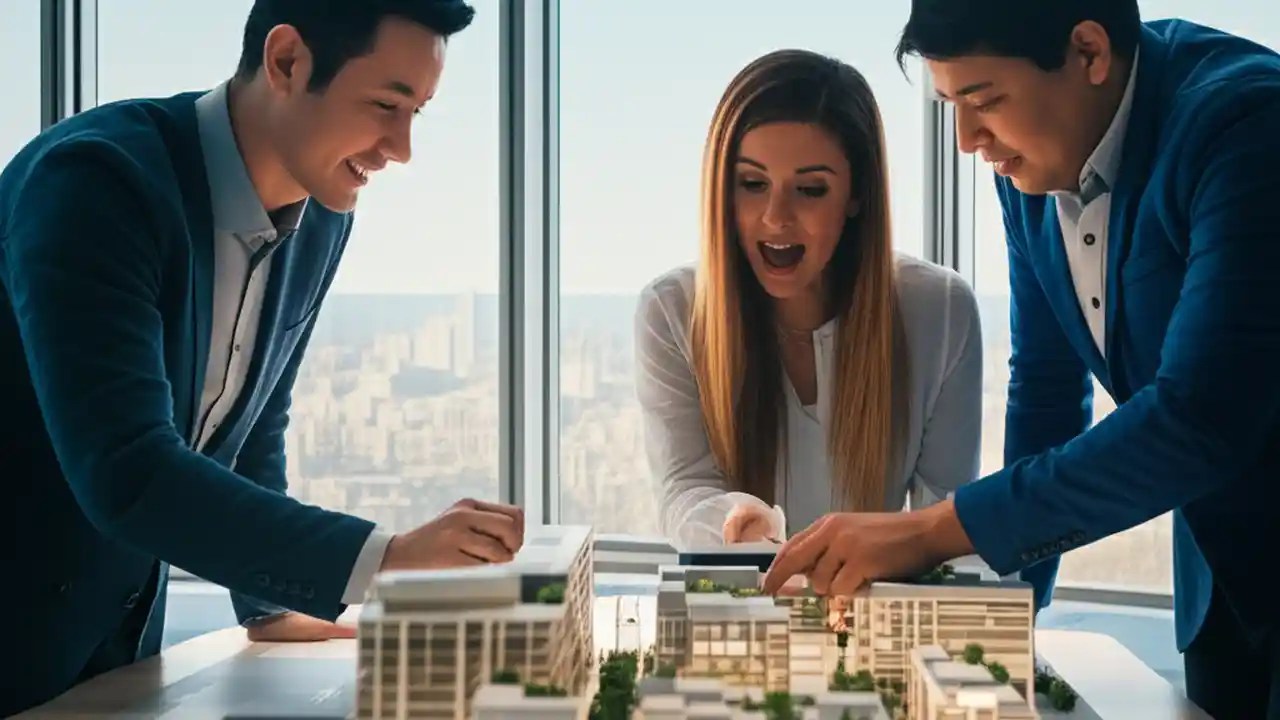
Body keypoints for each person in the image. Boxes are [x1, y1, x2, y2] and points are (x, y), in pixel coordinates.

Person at [0, 1, 526, 715]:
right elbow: (127, 470)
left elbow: (250, 421)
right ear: (286, 62)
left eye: (417, 113)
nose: (401, 149)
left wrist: (270, 602)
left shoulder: (320, 219)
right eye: (384, 105)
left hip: (112, 652)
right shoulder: (96, 181)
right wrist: (386, 557)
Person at [760, 2, 1280, 717]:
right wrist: (1002, 625)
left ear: (1089, 52)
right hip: (1226, 593)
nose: (969, 141)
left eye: (984, 101)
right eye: (951, 105)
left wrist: (927, 531)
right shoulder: (1031, 166)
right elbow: (1044, 394)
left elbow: (1200, 417)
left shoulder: (1247, 125)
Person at [636, 48, 1023, 590]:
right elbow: (684, 490)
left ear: (856, 194)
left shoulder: (940, 311)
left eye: (810, 189)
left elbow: (942, 519)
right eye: (752, 184)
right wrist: (735, 524)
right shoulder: (670, 311)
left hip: (876, 625)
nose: (776, 217)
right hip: (741, 620)